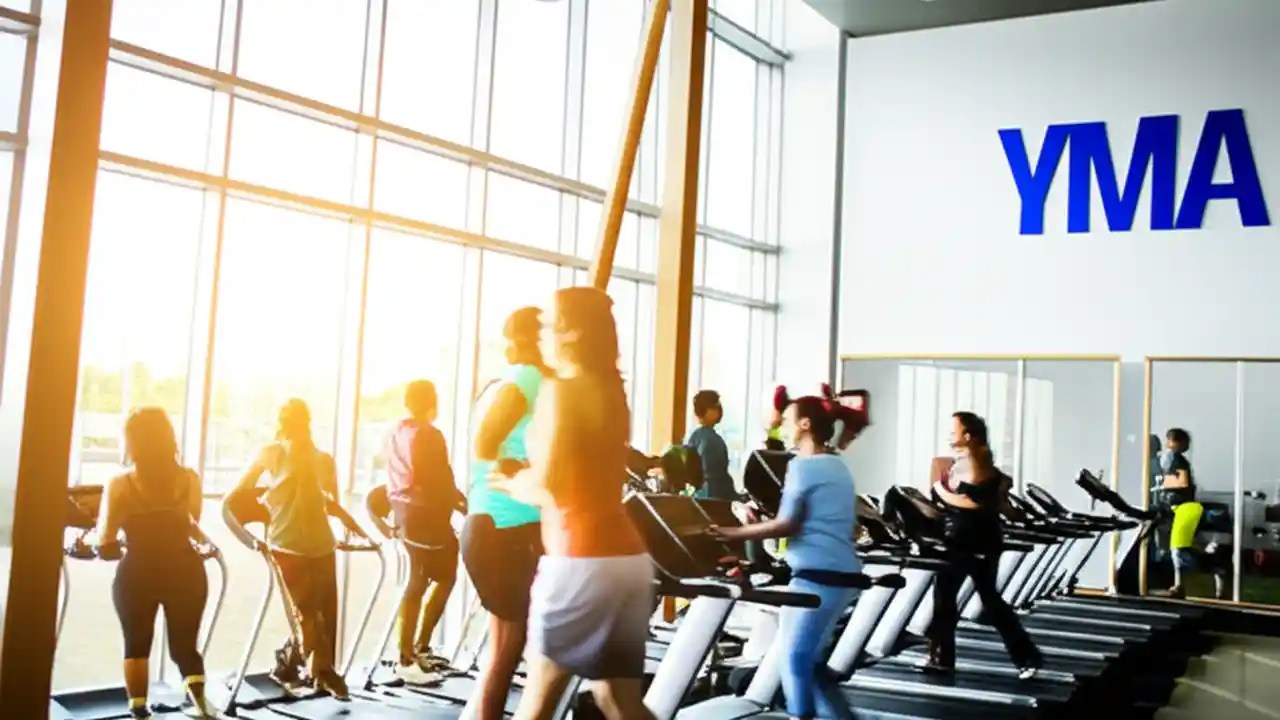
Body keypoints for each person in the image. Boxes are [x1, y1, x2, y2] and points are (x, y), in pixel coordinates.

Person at [494, 287, 654, 720]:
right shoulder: (612, 390)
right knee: (616, 699)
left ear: (573, 332)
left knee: (537, 702)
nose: (540, 332)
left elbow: (553, 485)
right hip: (629, 561)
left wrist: (511, 483)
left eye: (548, 323)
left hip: (580, 560)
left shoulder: (561, 391)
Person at [710, 393, 867, 720]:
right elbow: (851, 527)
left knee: (794, 660)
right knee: (807, 661)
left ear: (805, 424)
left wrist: (731, 533)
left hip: (817, 574)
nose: (782, 425)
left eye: (787, 419)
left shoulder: (801, 467)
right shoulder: (839, 466)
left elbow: (787, 523)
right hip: (842, 573)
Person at [460, 306, 549, 720]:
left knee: (504, 646)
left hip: (493, 524)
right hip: (506, 527)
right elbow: (485, 442)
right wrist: (528, 472)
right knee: (510, 645)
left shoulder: (511, 381)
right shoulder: (528, 378)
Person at [97, 408, 215, 719]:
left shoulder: (120, 483)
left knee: (136, 644)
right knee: (185, 646)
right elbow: (190, 520)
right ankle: (202, 707)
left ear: (132, 442)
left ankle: (139, 711)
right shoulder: (189, 478)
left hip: (138, 571)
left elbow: (106, 537)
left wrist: (109, 543)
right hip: (186, 570)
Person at [229, 399, 349, 700]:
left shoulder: (278, 453)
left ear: (281, 423)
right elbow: (331, 500)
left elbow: (240, 491)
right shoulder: (318, 458)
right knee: (314, 613)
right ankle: (322, 671)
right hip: (309, 544)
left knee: (308, 613)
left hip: (294, 543)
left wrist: (264, 499)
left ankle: (290, 665)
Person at [924, 411, 1042, 679]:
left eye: (953, 430)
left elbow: (977, 502)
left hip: (967, 538)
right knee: (975, 598)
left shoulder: (977, 459)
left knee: (953, 598)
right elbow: (995, 501)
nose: (949, 434)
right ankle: (1025, 657)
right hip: (978, 537)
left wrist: (940, 491)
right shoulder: (971, 461)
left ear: (968, 435)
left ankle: (943, 658)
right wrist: (1016, 515)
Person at [384, 379, 467, 684]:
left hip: (405, 512)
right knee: (433, 577)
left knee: (428, 577)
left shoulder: (395, 432)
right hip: (426, 514)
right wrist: (459, 503)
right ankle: (408, 655)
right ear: (433, 402)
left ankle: (415, 650)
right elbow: (437, 478)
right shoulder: (430, 434)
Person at [687, 389, 735, 500]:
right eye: (716, 406)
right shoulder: (711, 440)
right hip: (713, 497)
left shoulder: (694, 436)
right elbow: (713, 476)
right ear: (706, 410)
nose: (720, 410)